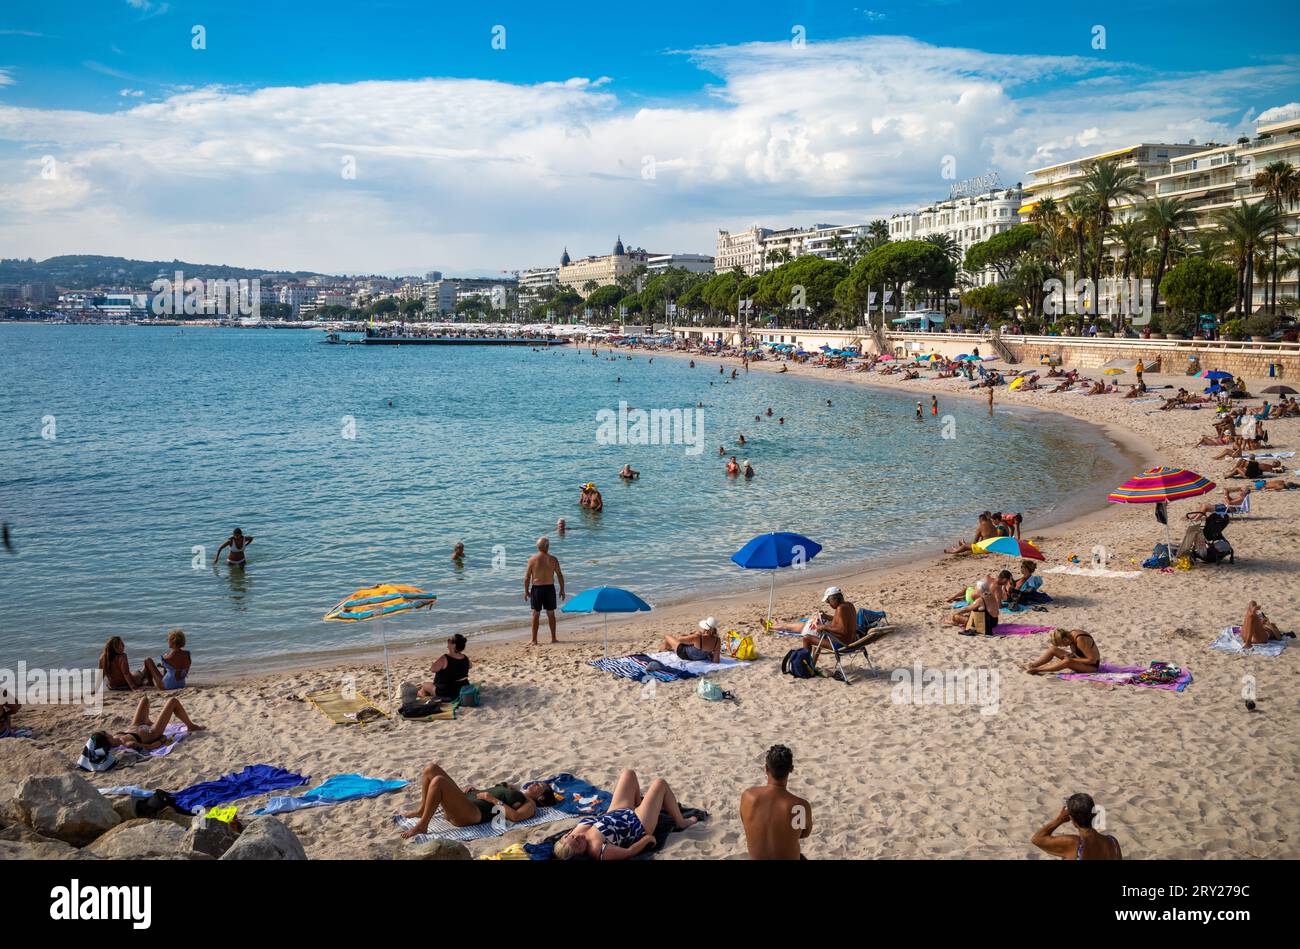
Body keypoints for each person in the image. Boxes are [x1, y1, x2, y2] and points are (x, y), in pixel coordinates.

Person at [552, 769, 698, 860]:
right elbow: (629, 852)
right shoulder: (598, 850)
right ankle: (681, 822)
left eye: (570, 836)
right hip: (638, 823)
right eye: (577, 843)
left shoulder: (576, 833)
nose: (577, 836)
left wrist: (571, 837)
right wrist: (647, 838)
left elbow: (570, 838)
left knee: (629, 774)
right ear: (579, 853)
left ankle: (642, 804)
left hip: (616, 812)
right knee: (660, 784)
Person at [399, 759, 558, 838]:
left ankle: (423, 825)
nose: (535, 785)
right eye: (537, 783)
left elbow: (515, 817)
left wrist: (493, 800)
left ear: (541, 798)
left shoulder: (529, 804)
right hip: (467, 802)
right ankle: (422, 810)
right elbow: (493, 792)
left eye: (540, 787)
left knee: (438, 782)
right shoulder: (516, 790)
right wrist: (475, 790)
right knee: (431, 768)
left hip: (473, 814)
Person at [740, 744, 811, 860]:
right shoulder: (799, 806)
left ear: (766, 768)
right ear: (791, 769)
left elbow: (746, 822)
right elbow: (804, 834)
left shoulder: (747, 797)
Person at [95, 695, 205, 752]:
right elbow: (152, 746)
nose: (107, 732)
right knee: (173, 701)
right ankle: (191, 726)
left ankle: (148, 721)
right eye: (105, 733)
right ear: (107, 740)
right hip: (152, 732)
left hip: (137, 725)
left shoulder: (115, 737)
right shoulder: (127, 744)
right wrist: (161, 739)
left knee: (144, 699)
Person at [1031, 793, 1122, 860]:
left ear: (1071, 818)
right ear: (1094, 815)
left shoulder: (1073, 843)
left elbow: (1036, 839)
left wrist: (1059, 819)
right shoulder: (1113, 843)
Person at [524, 537, 565, 645]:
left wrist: (526, 590)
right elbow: (560, 575)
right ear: (547, 547)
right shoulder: (553, 559)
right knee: (551, 614)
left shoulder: (532, 559)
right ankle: (553, 638)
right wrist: (562, 589)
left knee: (535, 614)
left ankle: (534, 640)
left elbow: (527, 577)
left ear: (538, 547)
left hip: (537, 589)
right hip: (549, 589)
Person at [99, 636, 164, 691]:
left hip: (113, 687)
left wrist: (96, 689)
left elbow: (101, 674)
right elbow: (126, 673)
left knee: (135, 672)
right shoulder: (122, 656)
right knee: (145, 666)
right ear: (115, 647)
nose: (124, 646)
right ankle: (150, 683)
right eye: (121, 644)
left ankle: (147, 681)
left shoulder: (103, 658)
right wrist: (133, 688)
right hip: (125, 685)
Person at [1023, 628, 1100, 674]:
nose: (1065, 646)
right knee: (1052, 649)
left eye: (1063, 644)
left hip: (1092, 666)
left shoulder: (1081, 640)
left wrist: (1071, 659)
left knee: (1067, 662)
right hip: (1081, 659)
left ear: (1065, 639)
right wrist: (1071, 656)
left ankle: (1037, 670)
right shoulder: (1071, 635)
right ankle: (1033, 665)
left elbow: (1092, 660)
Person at [418, 634, 471, 700]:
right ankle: (424, 693)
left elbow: (432, 669)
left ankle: (423, 696)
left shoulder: (445, 658)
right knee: (427, 686)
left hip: (446, 691)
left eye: (449, 641)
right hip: (463, 687)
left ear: (453, 645)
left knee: (424, 685)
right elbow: (470, 666)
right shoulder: (465, 657)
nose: (447, 642)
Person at [804, 587, 856, 651]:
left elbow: (842, 630)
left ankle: (806, 661)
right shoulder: (849, 605)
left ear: (835, 599)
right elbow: (843, 620)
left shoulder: (840, 608)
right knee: (818, 638)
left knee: (806, 638)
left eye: (828, 601)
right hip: (852, 640)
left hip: (842, 644)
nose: (829, 604)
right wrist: (826, 616)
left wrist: (824, 627)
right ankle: (812, 661)